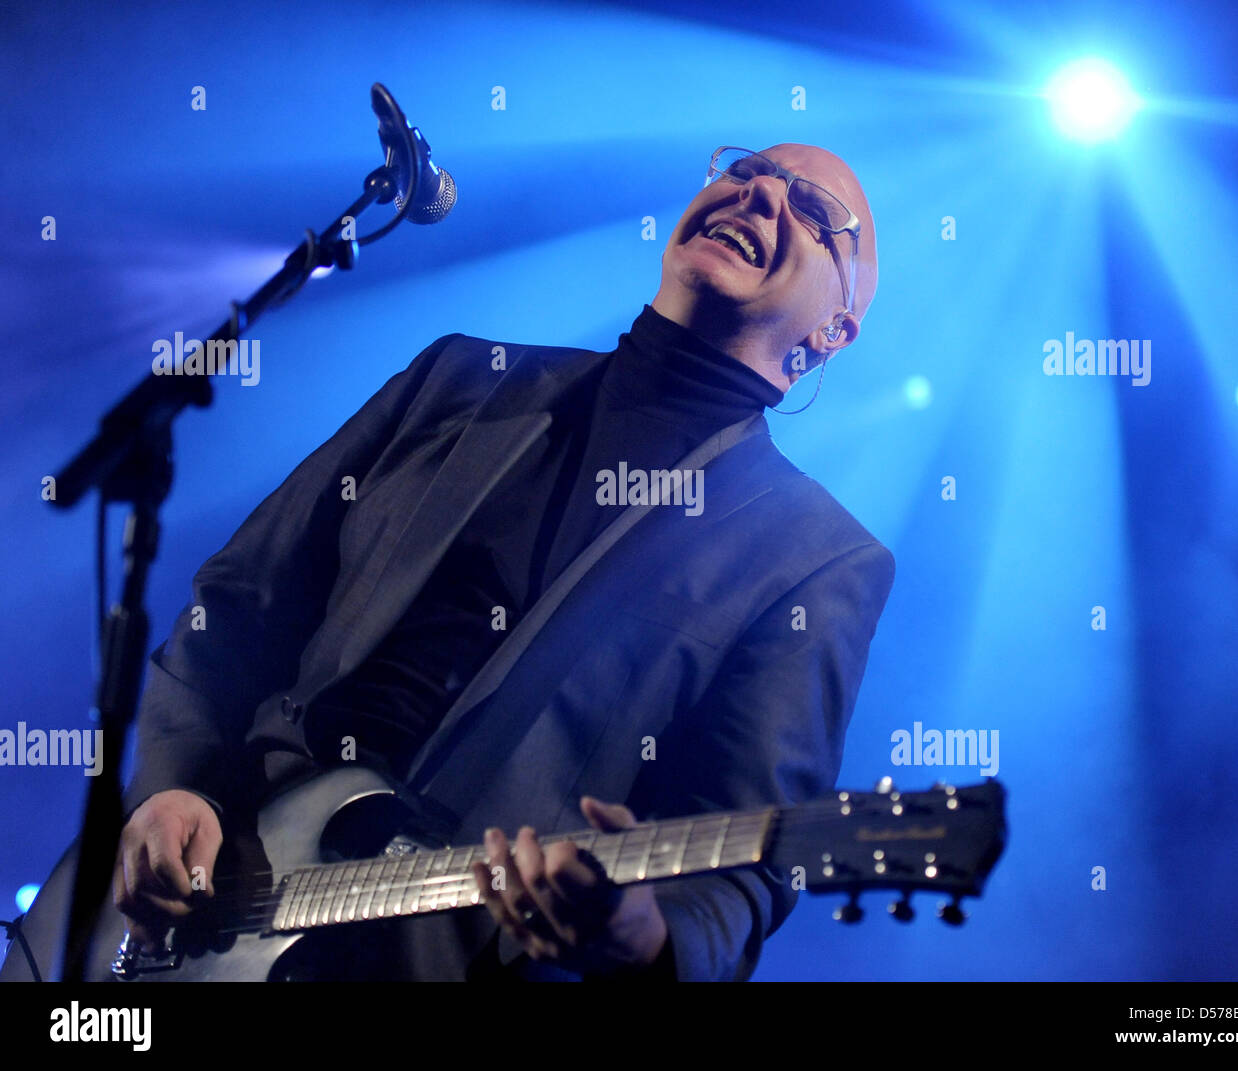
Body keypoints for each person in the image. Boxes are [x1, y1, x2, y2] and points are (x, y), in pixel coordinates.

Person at [112, 143, 895, 981]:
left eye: (815, 213)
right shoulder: (457, 379)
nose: (762, 190)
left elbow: (746, 857)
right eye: (744, 171)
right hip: (211, 884)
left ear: (835, 331)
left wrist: (643, 935)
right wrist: (172, 784)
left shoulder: (817, 557)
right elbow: (239, 601)